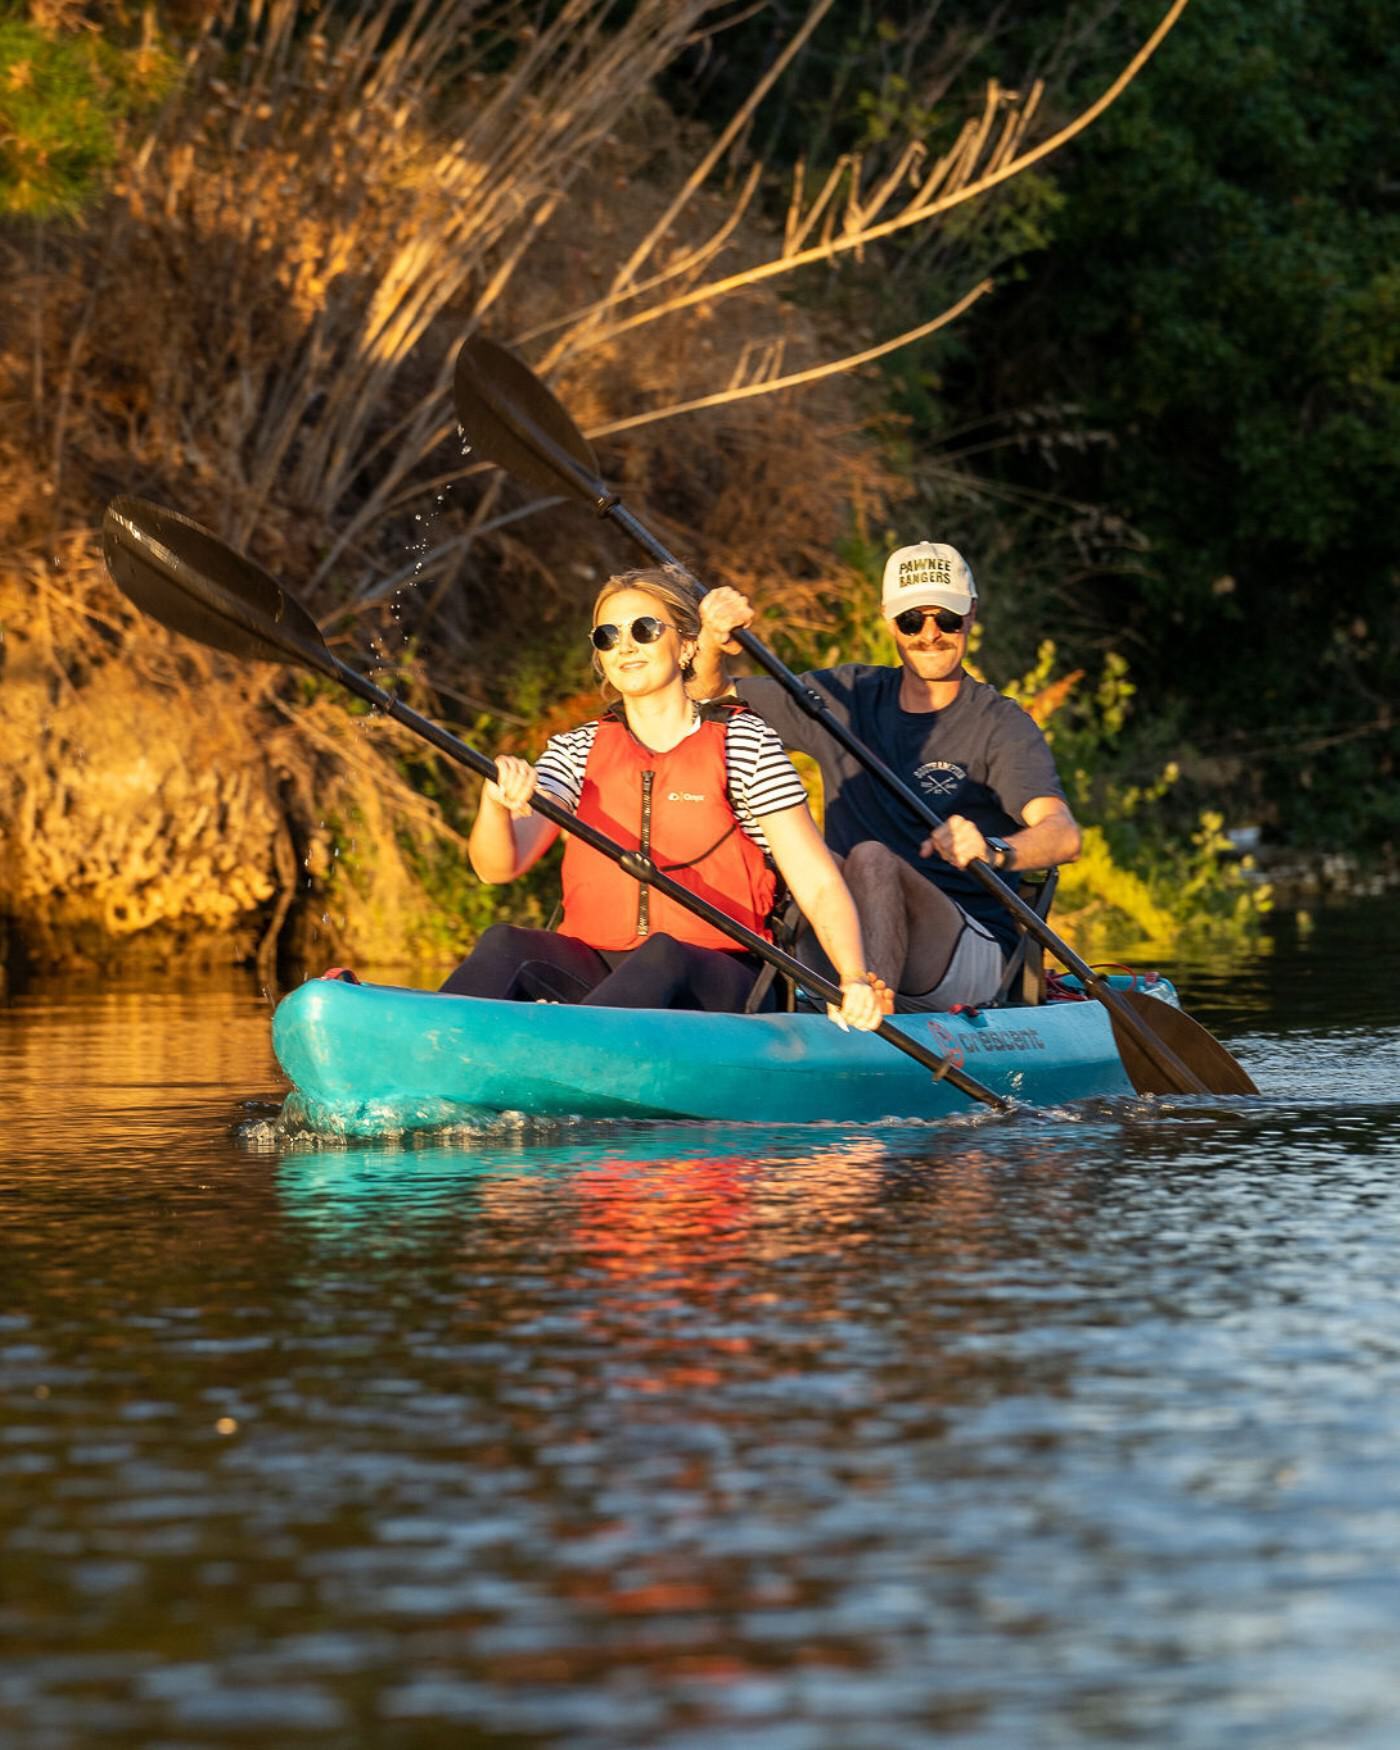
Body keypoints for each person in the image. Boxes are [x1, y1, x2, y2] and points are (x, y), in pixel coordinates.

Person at [439, 566, 884, 1031]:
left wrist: (852, 977)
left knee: (662, 954)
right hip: (600, 970)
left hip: (722, 976)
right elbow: (497, 869)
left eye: (644, 630)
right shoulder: (576, 750)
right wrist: (494, 804)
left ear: (687, 645)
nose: (625, 646)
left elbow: (817, 882)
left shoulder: (745, 742)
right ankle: (426, 1036)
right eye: (608, 636)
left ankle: (576, 1044)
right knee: (505, 942)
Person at [688, 540, 1082, 1011]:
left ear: (972, 615)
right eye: (912, 620)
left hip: (970, 950)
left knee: (872, 858)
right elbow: (706, 695)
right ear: (889, 619)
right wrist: (711, 641)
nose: (930, 634)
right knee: (805, 857)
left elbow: (1063, 836)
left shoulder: (1002, 723)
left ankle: (871, 1016)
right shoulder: (845, 695)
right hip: (849, 937)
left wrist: (994, 849)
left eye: (947, 619)